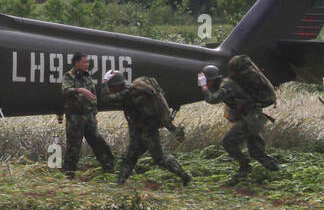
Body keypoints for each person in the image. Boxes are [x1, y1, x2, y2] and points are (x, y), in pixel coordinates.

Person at [199, 56, 281, 184]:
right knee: (256, 152)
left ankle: (245, 167)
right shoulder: (227, 84)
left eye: (207, 81)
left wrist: (203, 87)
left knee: (228, 142)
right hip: (252, 118)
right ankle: (278, 172)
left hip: (249, 119)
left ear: (212, 80)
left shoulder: (226, 85)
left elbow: (212, 99)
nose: (207, 84)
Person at [103, 71, 190, 186]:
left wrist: (104, 82)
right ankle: (120, 183)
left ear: (115, 86)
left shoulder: (127, 94)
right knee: (130, 157)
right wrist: (173, 129)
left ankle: (185, 176)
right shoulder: (134, 91)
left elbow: (105, 98)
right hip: (142, 130)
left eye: (110, 87)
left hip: (146, 131)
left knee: (159, 158)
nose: (110, 89)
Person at [60, 52, 114, 179]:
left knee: (98, 142)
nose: (87, 64)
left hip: (88, 116)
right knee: (74, 146)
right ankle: (69, 174)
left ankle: (110, 167)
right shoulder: (69, 76)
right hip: (75, 117)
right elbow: (65, 91)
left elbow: (93, 97)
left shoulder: (87, 77)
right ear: (77, 63)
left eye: (88, 62)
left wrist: (94, 114)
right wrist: (79, 90)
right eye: (85, 62)